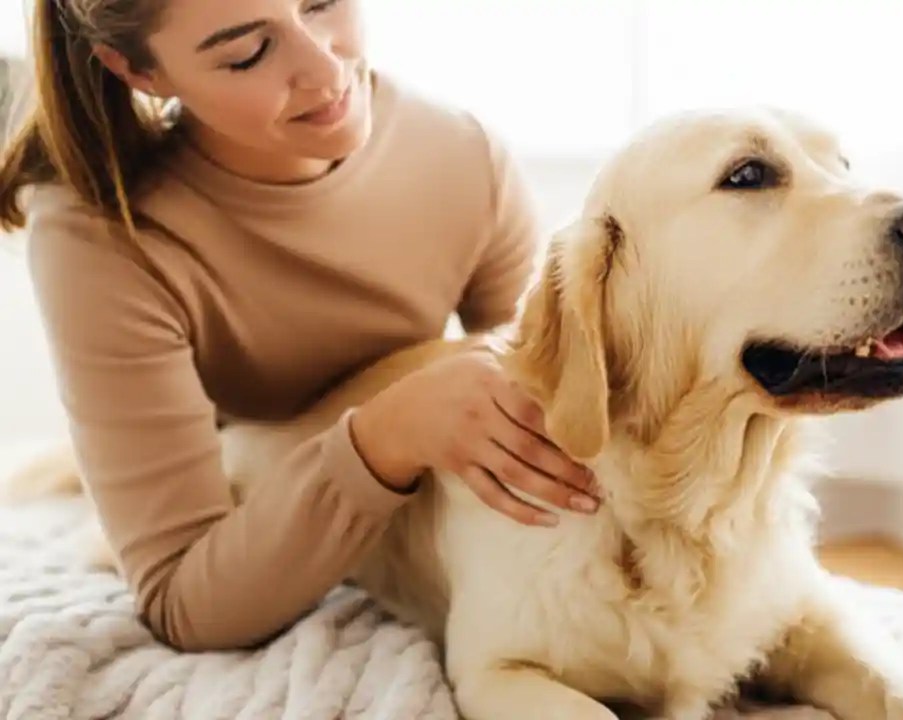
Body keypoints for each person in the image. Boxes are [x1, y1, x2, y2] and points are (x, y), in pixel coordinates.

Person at [0, 0, 600, 652]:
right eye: (246, 54)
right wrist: (386, 435)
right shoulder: (101, 236)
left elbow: (549, 422)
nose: (326, 69)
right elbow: (184, 603)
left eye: (321, 3)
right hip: (250, 499)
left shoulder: (463, 156)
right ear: (139, 70)